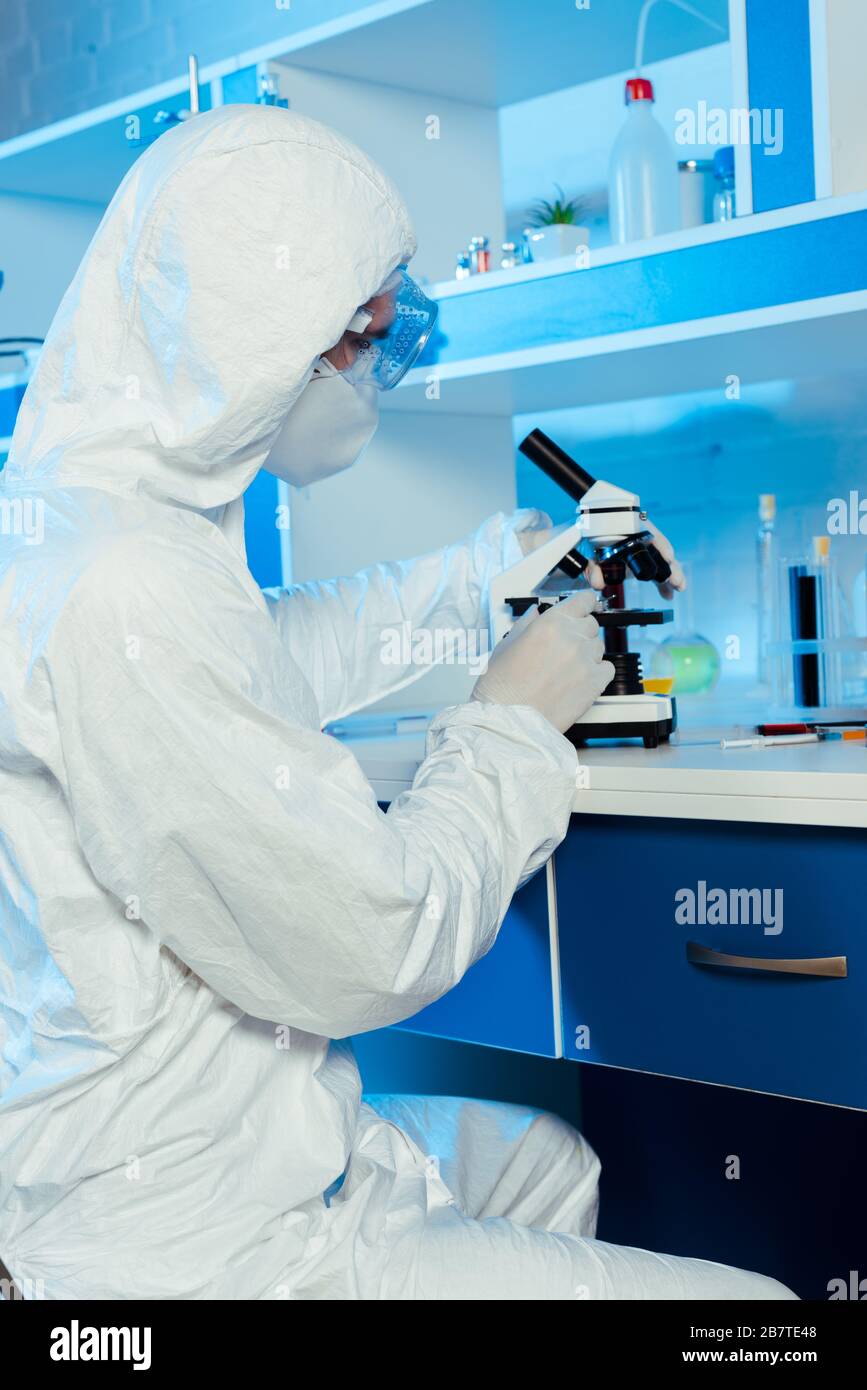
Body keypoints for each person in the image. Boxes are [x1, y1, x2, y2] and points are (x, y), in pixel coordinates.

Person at [0, 105, 794, 1301]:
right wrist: (510, 727)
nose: (374, 367)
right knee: (764, 1324)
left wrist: (501, 568)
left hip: (213, 1146)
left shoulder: (99, 526)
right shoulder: (126, 588)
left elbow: (275, 655)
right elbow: (377, 944)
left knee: (546, 1161)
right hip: (203, 1251)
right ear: (249, 340)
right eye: (356, 339)